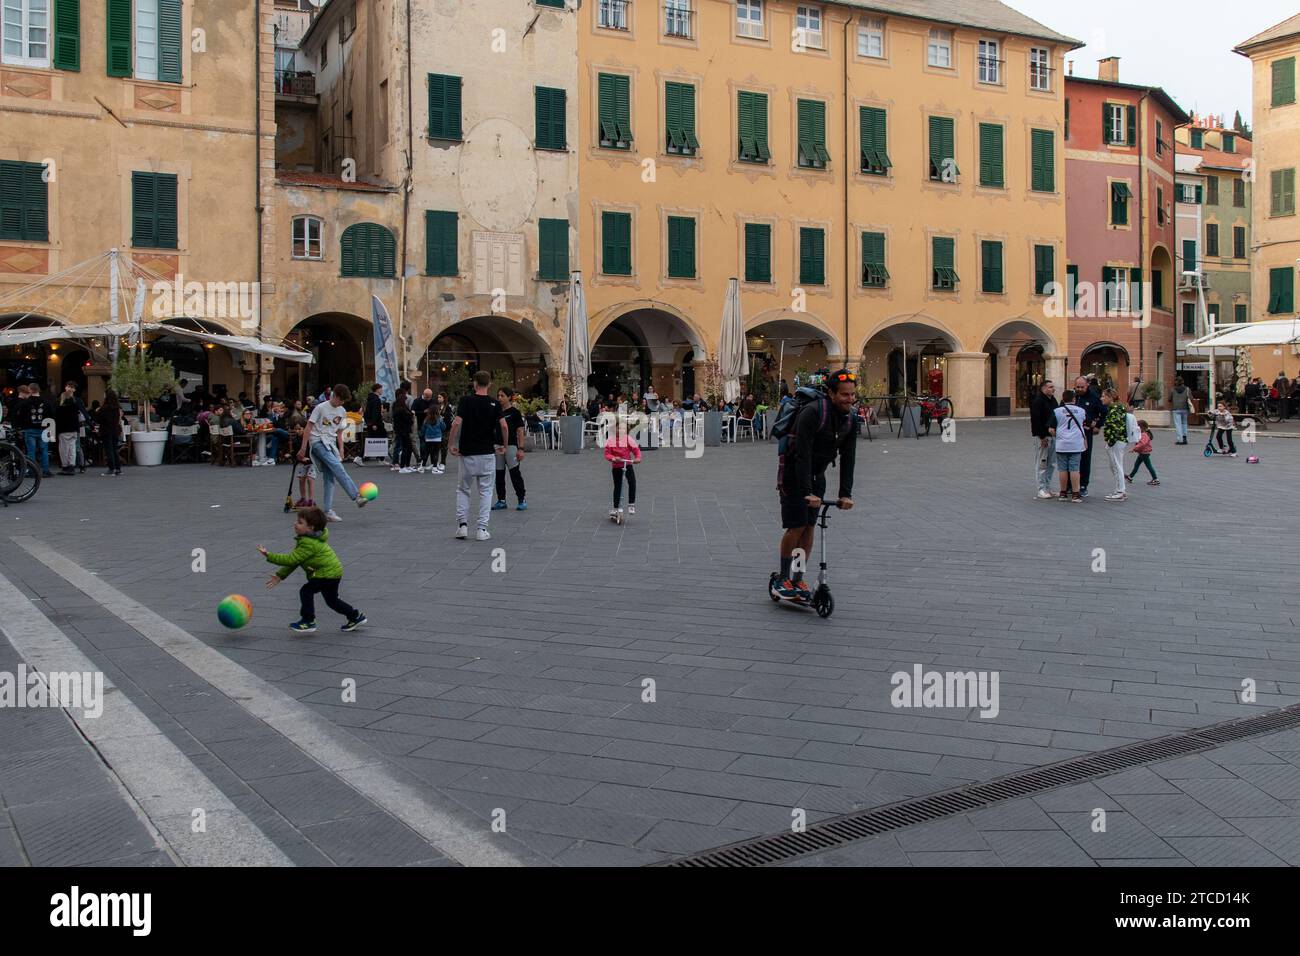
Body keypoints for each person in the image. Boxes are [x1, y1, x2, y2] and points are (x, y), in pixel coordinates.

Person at [772, 369, 858, 603]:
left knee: (810, 527)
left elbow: (849, 457)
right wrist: (806, 491)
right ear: (831, 393)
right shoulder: (812, 412)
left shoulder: (851, 419)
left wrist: (845, 494)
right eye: (844, 395)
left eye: (852, 395)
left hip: (817, 475)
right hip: (793, 473)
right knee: (796, 526)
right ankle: (782, 579)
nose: (849, 399)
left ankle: (797, 578)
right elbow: (802, 454)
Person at [259, 506, 366, 634]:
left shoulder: (308, 543)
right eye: (297, 521)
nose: (295, 523)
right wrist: (280, 575)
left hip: (325, 573)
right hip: (333, 572)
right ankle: (355, 616)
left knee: (306, 591)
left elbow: (291, 560)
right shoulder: (308, 539)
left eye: (300, 522)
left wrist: (269, 555)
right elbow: (296, 561)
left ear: (311, 528)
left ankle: (308, 621)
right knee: (332, 601)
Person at [448, 371, 507, 541]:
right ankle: (482, 529)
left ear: (474, 383)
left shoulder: (466, 401)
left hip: (467, 454)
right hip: (487, 453)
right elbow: (504, 426)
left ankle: (462, 526)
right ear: (489, 384)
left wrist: (451, 444)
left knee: (463, 490)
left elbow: (456, 423)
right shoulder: (495, 404)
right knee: (486, 492)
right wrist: (503, 444)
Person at [299, 384, 368, 522]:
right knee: (337, 467)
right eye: (340, 400)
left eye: (343, 401)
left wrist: (341, 448)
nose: (341, 403)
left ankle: (328, 510)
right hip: (318, 441)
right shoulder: (320, 407)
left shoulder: (342, 411)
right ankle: (356, 496)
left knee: (330, 478)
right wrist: (303, 447)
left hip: (330, 444)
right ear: (335, 396)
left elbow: (339, 432)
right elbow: (309, 427)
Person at [1049, 389, 1087, 502]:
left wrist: (1058, 435)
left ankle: (1063, 493)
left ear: (1063, 399)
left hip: (1062, 444)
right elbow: (1085, 423)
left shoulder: (1057, 411)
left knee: (1062, 469)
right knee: (1075, 469)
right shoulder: (1081, 411)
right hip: (1076, 444)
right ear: (1074, 399)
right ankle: (1076, 494)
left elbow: (1051, 429)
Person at [1100, 388, 1137, 502]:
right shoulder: (1118, 408)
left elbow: (1114, 427)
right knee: (1115, 465)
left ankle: (1120, 491)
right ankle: (1119, 490)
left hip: (1116, 441)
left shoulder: (1114, 409)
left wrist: (1110, 441)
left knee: (1116, 465)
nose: (1102, 398)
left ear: (1110, 397)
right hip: (1118, 441)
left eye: (1104, 396)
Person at [494, 386, 527, 511]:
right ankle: (501, 500)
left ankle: (521, 498)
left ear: (509, 397)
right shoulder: (496, 412)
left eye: (502, 396)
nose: (500, 398)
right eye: (498, 396)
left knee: (514, 473)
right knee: (499, 474)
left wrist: (521, 448)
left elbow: (520, 431)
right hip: (497, 445)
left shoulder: (514, 412)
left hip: (511, 446)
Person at [604, 420, 642, 520]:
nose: (621, 430)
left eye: (623, 428)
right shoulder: (611, 440)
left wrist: (638, 458)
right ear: (615, 429)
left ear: (627, 430)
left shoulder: (629, 439)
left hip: (627, 464)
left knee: (632, 482)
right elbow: (607, 453)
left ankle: (631, 504)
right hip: (616, 466)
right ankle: (616, 508)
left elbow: (636, 450)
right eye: (619, 428)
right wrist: (613, 458)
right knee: (617, 487)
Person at [1073, 375, 1103, 498]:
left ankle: (1083, 485)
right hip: (1072, 433)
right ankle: (1071, 485)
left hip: (1086, 433)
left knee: (1085, 459)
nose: (1079, 389)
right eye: (1077, 387)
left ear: (1087, 386)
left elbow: (1104, 411)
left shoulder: (1094, 397)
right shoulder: (1072, 396)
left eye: (1082, 387)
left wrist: (1098, 426)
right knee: (1072, 459)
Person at [15, 385, 53, 477]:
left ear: (30, 390)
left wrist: (20, 427)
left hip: (30, 428)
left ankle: (32, 471)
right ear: (39, 390)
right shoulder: (46, 402)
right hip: (43, 428)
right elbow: (51, 416)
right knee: (44, 450)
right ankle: (45, 470)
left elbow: (20, 416)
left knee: (31, 451)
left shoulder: (25, 403)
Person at [1030, 380, 1058, 499]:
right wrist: (1041, 437)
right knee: (1042, 463)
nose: (1053, 389)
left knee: (1051, 463)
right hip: (1043, 437)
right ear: (1043, 388)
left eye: (1053, 387)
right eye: (1050, 387)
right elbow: (1036, 420)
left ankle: (1047, 487)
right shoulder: (1038, 401)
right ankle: (1041, 489)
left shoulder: (1053, 400)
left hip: (1053, 436)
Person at [98, 389, 123, 477]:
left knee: (109, 450)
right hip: (115, 430)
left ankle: (111, 468)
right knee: (114, 449)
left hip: (106, 430)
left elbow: (99, 419)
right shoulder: (117, 408)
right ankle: (118, 468)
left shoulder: (104, 408)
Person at [391, 386, 415, 473]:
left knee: (408, 448)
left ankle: (407, 465)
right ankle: (402, 466)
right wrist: (411, 415)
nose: (406, 401)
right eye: (405, 399)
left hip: (404, 430)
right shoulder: (400, 410)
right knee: (405, 448)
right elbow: (406, 418)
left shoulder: (400, 408)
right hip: (403, 431)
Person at [1128, 420, 1159, 486]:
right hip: (1143, 452)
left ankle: (1155, 479)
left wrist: (1134, 448)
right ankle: (1130, 477)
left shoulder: (1144, 435)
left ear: (1141, 427)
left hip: (1144, 453)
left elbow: (1142, 444)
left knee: (1149, 466)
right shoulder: (1143, 434)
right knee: (1137, 464)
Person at [419, 401, 446, 474]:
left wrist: (423, 435)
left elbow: (423, 429)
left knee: (426, 453)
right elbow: (443, 427)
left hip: (428, 438)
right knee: (436, 453)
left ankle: (422, 467)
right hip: (437, 438)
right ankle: (434, 468)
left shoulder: (427, 419)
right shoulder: (439, 418)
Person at [412, 388, 434, 469]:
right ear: (424, 395)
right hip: (421, 425)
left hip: (432, 425)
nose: (429, 399)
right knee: (423, 444)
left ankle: (433, 462)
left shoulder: (432, 400)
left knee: (432, 444)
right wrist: (423, 412)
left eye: (430, 397)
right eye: (427, 397)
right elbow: (413, 412)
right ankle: (422, 461)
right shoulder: (417, 401)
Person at [1168, 376, 1192, 445]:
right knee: (1184, 423)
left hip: (1176, 409)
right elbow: (1191, 398)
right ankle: (1185, 438)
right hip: (1185, 408)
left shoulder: (1172, 390)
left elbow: (1169, 399)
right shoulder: (1187, 389)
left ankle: (1180, 439)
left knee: (1178, 425)